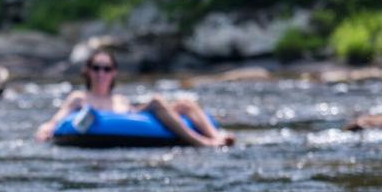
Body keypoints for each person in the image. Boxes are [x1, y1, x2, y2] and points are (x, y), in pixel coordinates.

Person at [34, 47, 234, 147]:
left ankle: (216, 137)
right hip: (99, 128)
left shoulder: (120, 100)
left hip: (131, 119)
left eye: (106, 69)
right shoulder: (79, 98)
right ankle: (202, 143)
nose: (101, 73)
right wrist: (46, 129)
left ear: (114, 72)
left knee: (185, 103)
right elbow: (56, 119)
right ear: (88, 71)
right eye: (96, 68)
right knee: (156, 100)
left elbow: (135, 116)